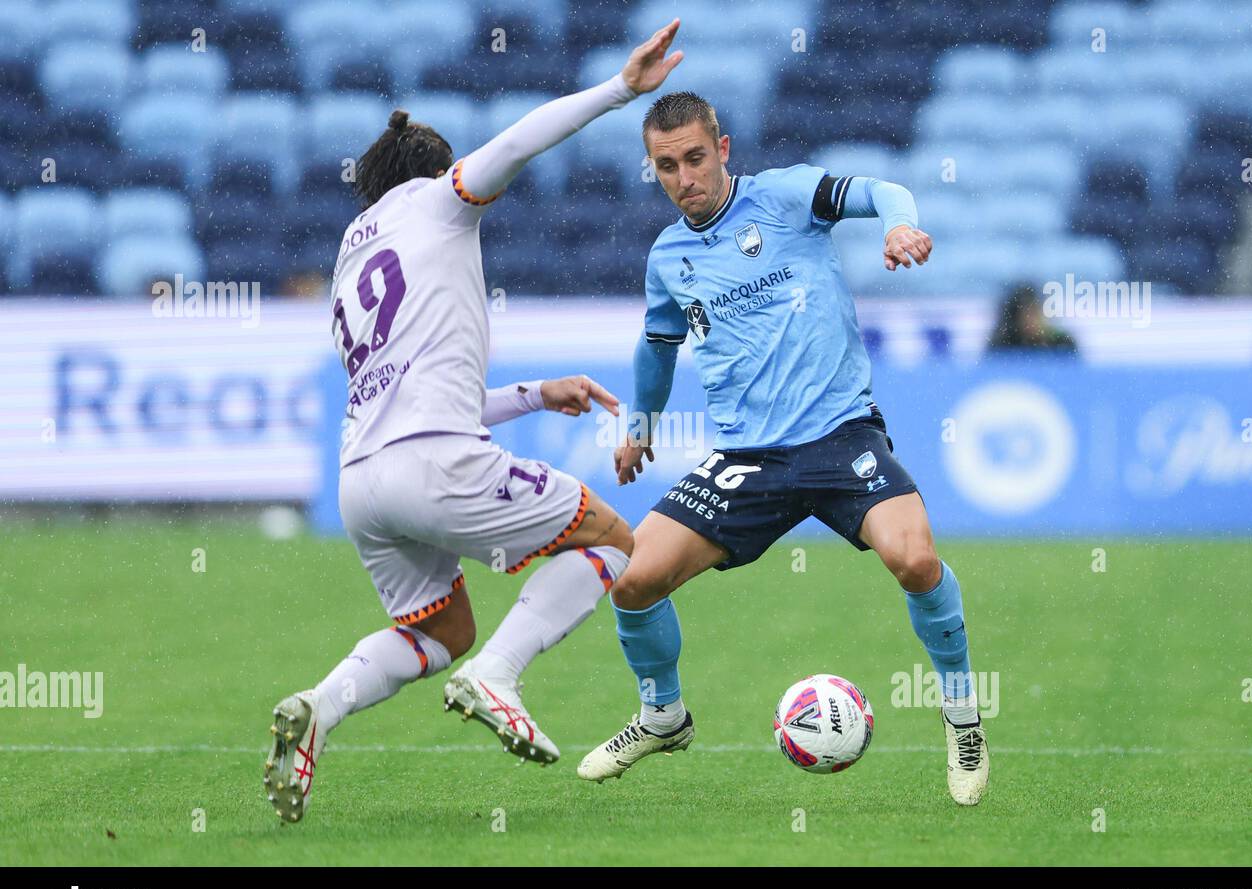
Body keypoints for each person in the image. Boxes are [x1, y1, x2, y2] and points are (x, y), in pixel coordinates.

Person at [263, 21, 686, 823]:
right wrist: (620, 91)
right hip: (433, 463)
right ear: (430, 172)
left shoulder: (351, 257)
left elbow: (408, 389)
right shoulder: (440, 201)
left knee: (438, 627)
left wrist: (529, 396)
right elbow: (521, 140)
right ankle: (500, 673)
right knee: (609, 541)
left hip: (362, 482)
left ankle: (321, 705)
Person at [579, 91, 990, 806]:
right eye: (667, 166)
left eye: (696, 159)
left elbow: (884, 190)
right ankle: (662, 716)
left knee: (916, 559)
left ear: (725, 149)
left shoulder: (788, 197)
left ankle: (962, 717)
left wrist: (900, 228)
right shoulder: (670, 256)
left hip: (839, 436)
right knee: (631, 579)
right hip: (747, 459)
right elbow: (657, 343)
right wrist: (641, 423)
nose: (685, 178)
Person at [987, 284, 1078, 353]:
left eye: (1035, 311)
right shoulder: (1003, 345)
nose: (1032, 319)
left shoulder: (1061, 342)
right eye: (1026, 314)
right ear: (1015, 319)